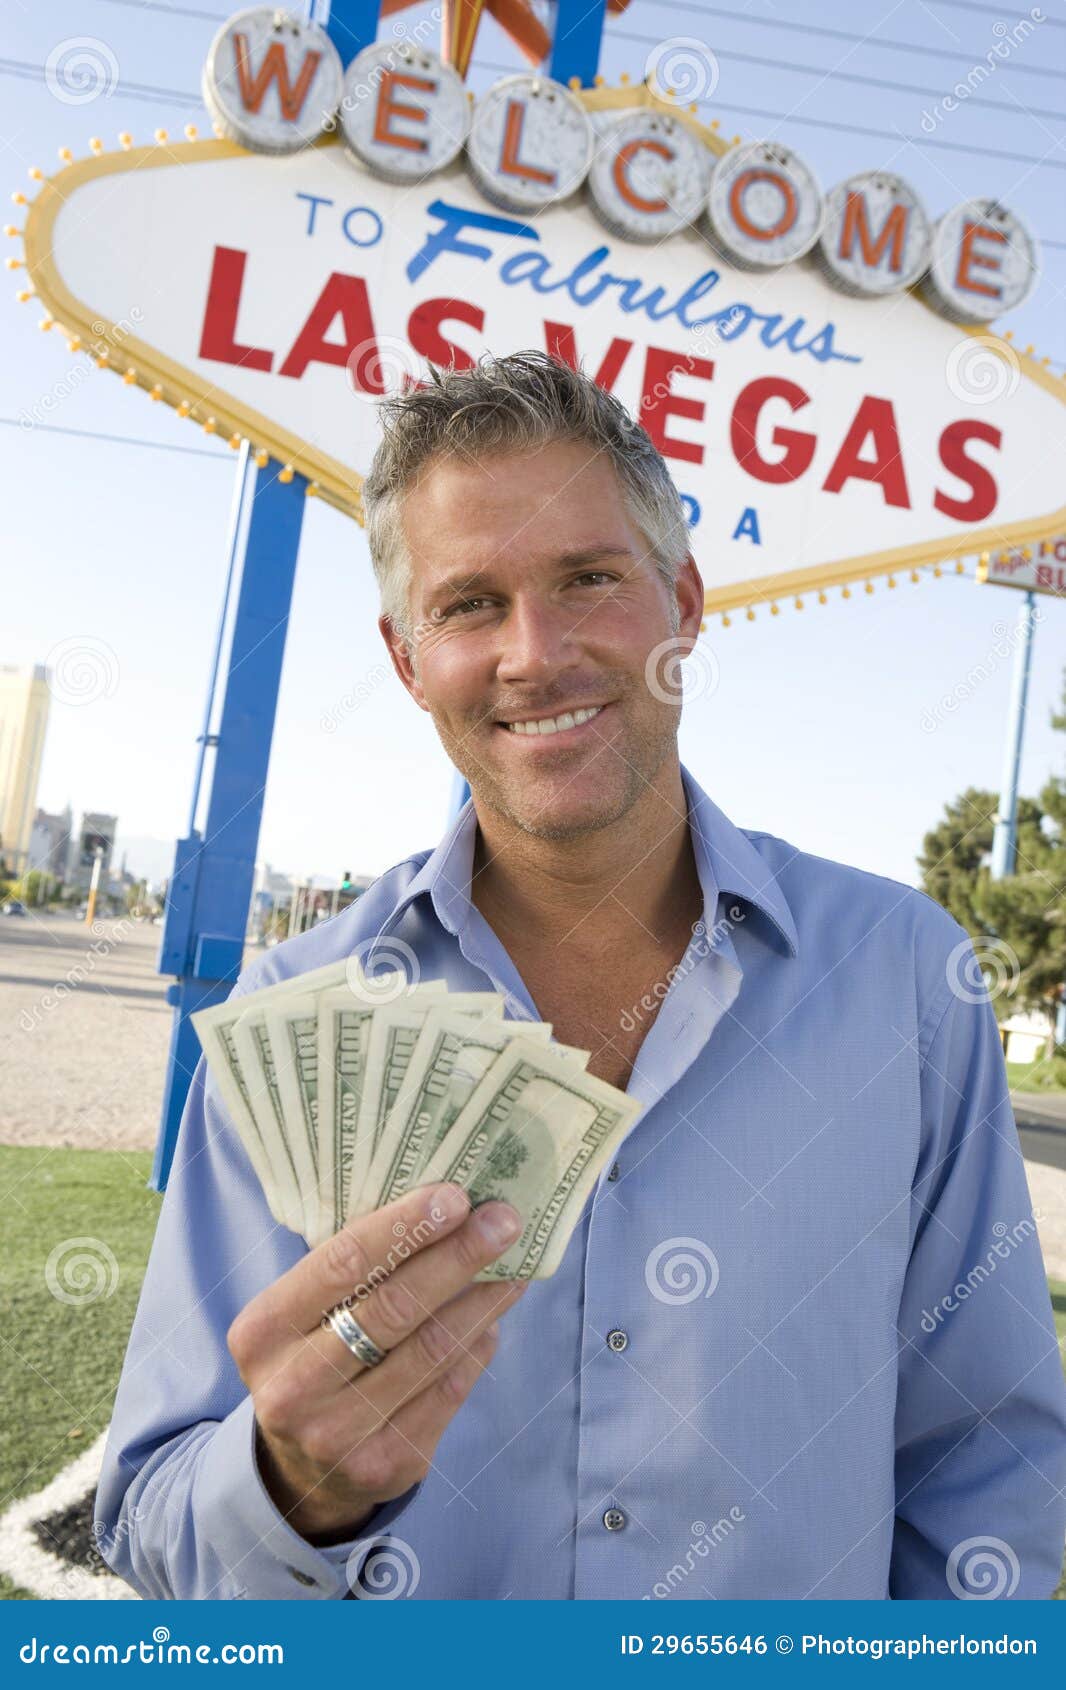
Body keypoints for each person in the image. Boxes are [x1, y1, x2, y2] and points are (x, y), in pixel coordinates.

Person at [97, 351, 1066, 1600]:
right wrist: (291, 1484)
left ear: (683, 602)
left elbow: (987, 1463)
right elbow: (152, 1513)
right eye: (470, 606)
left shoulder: (902, 976)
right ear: (406, 661)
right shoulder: (294, 1016)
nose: (535, 653)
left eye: (588, 579)